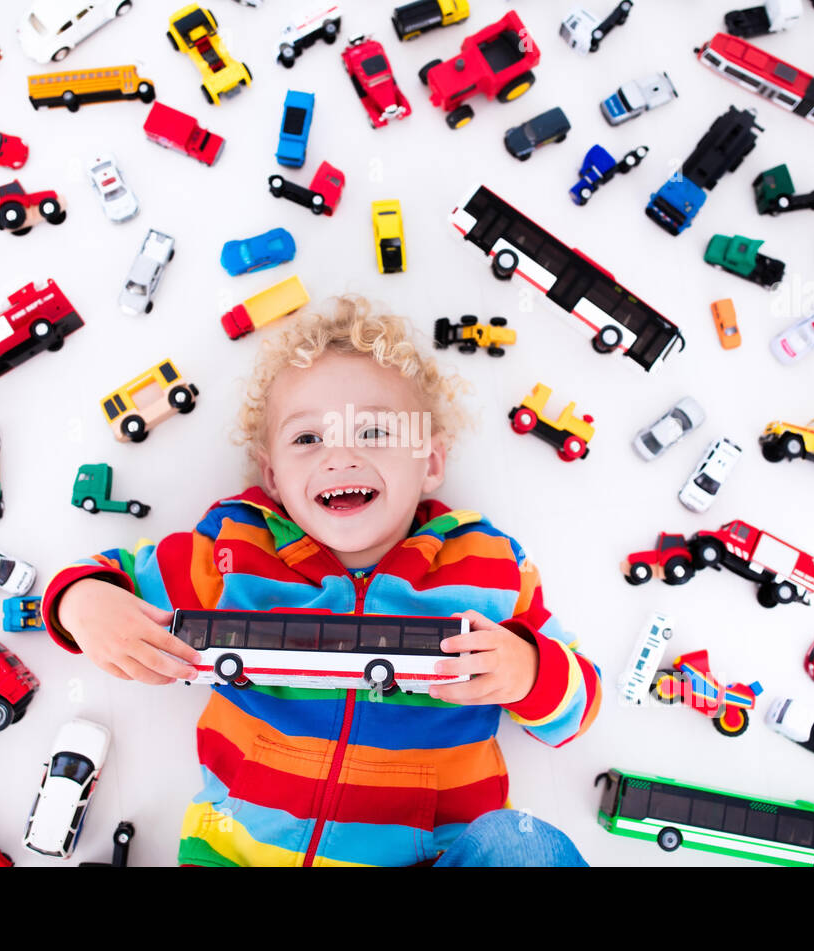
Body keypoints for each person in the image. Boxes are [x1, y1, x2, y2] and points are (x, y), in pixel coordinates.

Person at [43, 296, 600, 866]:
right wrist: (82, 605)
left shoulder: (489, 570)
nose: (340, 457)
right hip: (243, 853)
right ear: (274, 477)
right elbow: (104, 576)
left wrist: (526, 669)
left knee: (523, 845)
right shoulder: (235, 552)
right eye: (308, 440)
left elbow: (579, 707)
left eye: (376, 432)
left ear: (431, 463)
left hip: (428, 856)